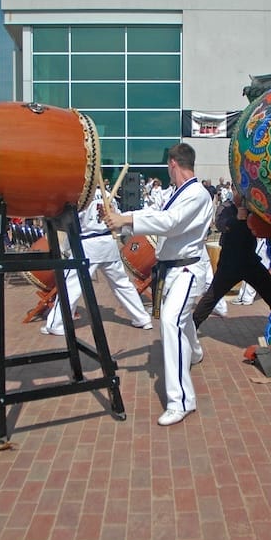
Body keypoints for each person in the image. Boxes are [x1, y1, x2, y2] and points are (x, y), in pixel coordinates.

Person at [104, 143, 214, 426]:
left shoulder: (197, 194)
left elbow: (170, 222)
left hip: (188, 270)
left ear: (173, 164)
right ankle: (195, 351)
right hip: (172, 270)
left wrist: (126, 218)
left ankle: (181, 401)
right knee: (180, 319)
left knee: (170, 321)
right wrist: (121, 222)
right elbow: (155, 215)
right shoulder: (175, 193)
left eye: (168, 165)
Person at [40, 186, 152, 336]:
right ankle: (142, 319)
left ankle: (56, 323)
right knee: (122, 284)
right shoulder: (106, 194)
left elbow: (71, 222)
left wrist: (66, 246)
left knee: (71, 285)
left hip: (88, 245)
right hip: (108, 242)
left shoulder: (82, 195)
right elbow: (116, 219)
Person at [193, 193, 271, 328]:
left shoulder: (252, 207)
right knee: (211, 297)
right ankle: (191, 328)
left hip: (249, 261)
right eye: (238, 192)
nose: (242, 196)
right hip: (229, 263)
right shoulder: (226, 207)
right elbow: (221, 224)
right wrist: (236, 219)